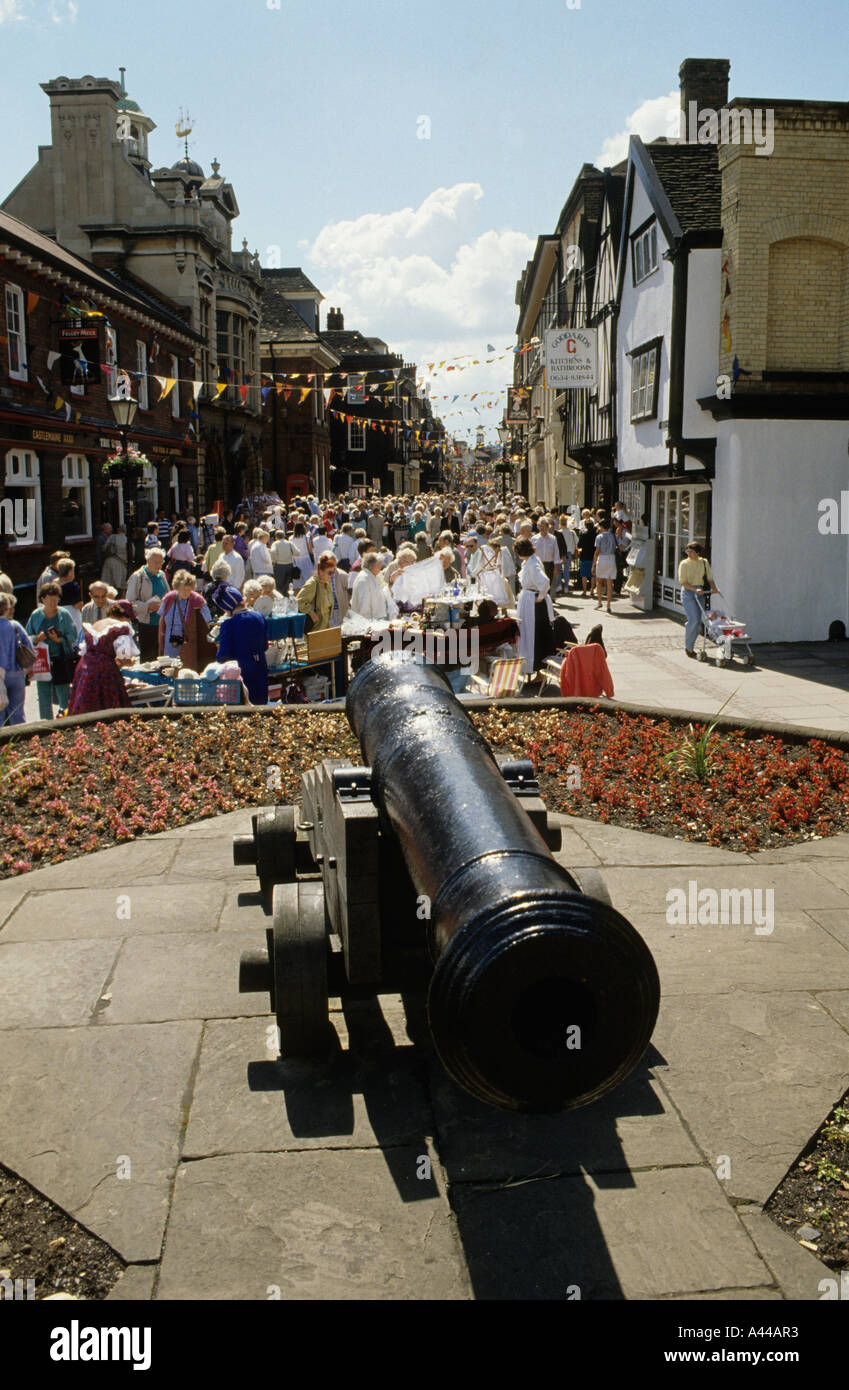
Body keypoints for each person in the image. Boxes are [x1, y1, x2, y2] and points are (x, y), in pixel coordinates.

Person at [66, 605, 139, 716]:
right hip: (104, 669)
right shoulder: (121, 627)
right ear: (125, 617)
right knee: (107, 706)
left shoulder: (96, 624)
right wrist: (130, 662)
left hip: (84, 666)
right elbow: (123, 657)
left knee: (85, 705)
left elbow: (86, 649)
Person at [25, 582, 79, 720]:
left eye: (56, 599)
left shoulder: (64, 614)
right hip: (42, 661)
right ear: (42, 599)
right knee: (43, 694)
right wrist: (36, 639)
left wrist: (59, 640)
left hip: (60, 658)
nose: (53, 602)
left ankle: (66, 720)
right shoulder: (36, 615)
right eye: (50, 598)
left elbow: (73, 635)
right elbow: (27, 637)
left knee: (63, 692)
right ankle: (46, 724)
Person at [215, 584, 269, 704]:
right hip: (260, 667)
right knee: (261, 708)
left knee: (244, 711)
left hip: (240, 673)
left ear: (228, 607)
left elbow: (222, 656)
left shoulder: (228, 625)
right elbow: (264, 646)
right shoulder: (259, 616)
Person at [514, 537, 556, 677]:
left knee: (534, 636)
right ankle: (532, 669)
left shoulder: (532, 563)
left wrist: (539, 597)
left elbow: (544, 582)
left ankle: (538, 670)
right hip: (529, 601)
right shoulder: (530, 561)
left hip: (533, 605)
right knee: (529, 634)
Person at [158, 570, 215, 669]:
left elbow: (207, 622)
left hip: (189, 644)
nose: (186, 592)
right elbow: (162, 620)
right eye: (183, 589)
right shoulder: (169, 598)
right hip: (170, 642)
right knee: (169, 670)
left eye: (189, 590)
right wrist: (160, 642)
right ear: (176, 587)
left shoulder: (198, 600)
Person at [125, 548, 169, 662]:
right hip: (147, 624)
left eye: (161, 562)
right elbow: (129, 603)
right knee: (148, 660)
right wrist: (147, 607)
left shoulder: (162, 575)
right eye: (156, 562)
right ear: (148, 560)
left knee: (163, 658)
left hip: (163, 623)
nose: (159, 565)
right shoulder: (137, 577)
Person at [679, 542, 721, 658]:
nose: (689, 554)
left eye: (691, 552)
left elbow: (710, 578)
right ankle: (689, 647)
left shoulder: (703, 562)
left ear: (697, 552)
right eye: (687, 552)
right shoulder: (684, 564)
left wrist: (714, 589)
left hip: (700, 591)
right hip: (688, 592)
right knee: (693, 620)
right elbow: (682, 582)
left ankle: (690, 646)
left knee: (699, 622)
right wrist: (694, 589)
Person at [0, 591, 35, 726]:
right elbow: (29, 647)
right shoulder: (15, 625)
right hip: (17, 674)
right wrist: (30, 668)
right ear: (7, 609)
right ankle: (21, 742)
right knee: (18, 713)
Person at [296, 552, 349, 633]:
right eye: (329, 573)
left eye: (333, 572)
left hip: (325, 628)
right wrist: (311, 613)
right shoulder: (312, 583)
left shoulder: (327, 584)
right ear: (320, 572)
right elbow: (299, 601)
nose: (331, 575)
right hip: (313, 630)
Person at [350, 552, 398, 622]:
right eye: (379, 564)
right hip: (366, 623)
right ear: (373, 565)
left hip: (376, 620)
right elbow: (363, 606)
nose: (380, 567)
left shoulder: (374, 577)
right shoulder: (363, 579)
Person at [593, 518, 618, 613]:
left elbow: (597, 551)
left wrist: (593, 564)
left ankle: (599, 601)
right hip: (611, 558)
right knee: (609, 582)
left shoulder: (599, 537)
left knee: (599, 581)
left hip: (602, 558)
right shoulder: (613, 536)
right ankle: (608, 604)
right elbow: (619, 546)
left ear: (601, 527)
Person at [56, 558, 83, 636]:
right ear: (69, 572)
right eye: (73, 570)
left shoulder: (54, 584)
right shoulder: (73, 586)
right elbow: (78, 605)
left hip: (57, 612)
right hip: (71, 613)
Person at [289, 521, 314, 590]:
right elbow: (310, 549)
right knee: (308, 579)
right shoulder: (306, 537)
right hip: (306, 559)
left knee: (297, 581)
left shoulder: (291, 538)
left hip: (296, 560)